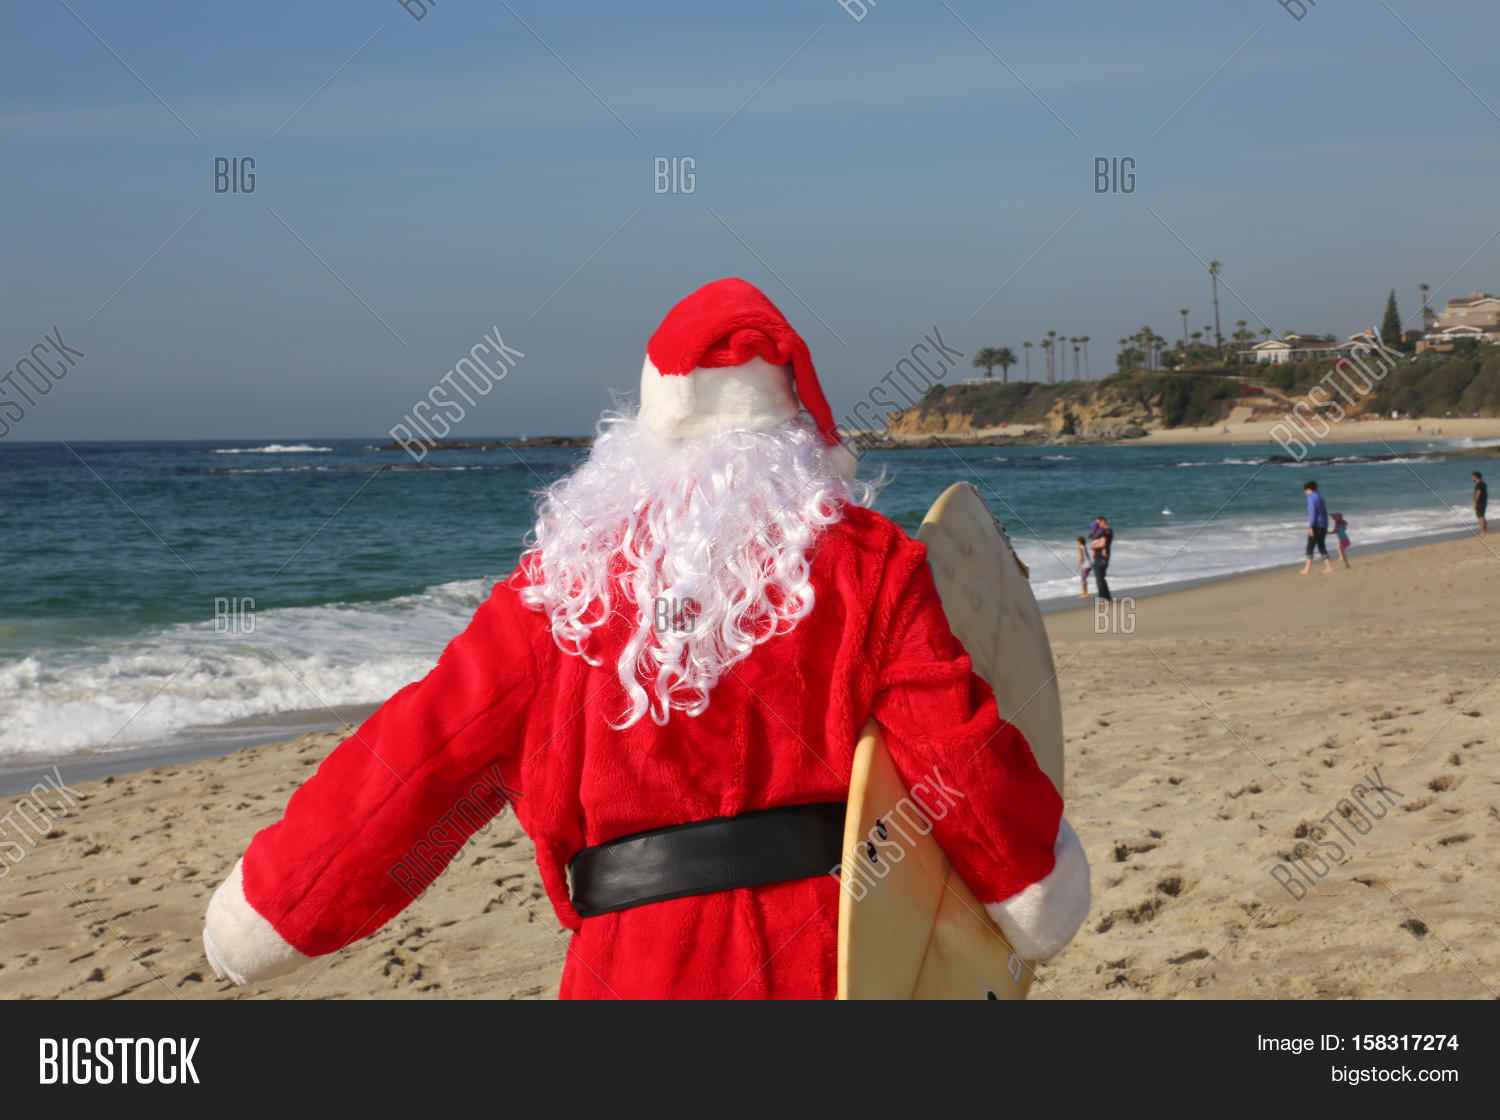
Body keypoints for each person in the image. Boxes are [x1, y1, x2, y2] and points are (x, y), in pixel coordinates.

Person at [199, 277, 1089, 999]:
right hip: (838, 956)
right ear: (796, 430)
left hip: (629, 972)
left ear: (646, 425)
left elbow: (413, 766)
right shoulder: (869, 567)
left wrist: (274, 907)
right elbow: (957, 758)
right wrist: (1030, 893)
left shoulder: (556, 597)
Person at [1300, 480, 1332, 574]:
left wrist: (1311, 527)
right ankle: (1329, 567)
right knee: (1321, 546)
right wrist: (1326, 525)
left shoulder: (1311, 498)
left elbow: (1313, 513)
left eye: (1305, 490)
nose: (1305, 492)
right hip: (1323, 525)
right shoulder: (1321, 497)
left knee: (1310, 546)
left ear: (1308, 489)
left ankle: (1307, 569)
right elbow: (1324, 512)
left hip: (1316, 526)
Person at [1090, 516, 1113, 602]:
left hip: (1101, 558)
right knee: (1101, 578)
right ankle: (1107, 598)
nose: (1097, 525)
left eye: (1098, 523)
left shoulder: (1105, 532)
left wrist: (1093, 546)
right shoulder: (1106, 531)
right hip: (1102, 557)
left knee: (1099, 579)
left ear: (1103, 521)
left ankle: (1104, 598)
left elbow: (1102, 544)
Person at [1476, 472, 1488, 537]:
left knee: (1481, 517)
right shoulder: (1483, 483)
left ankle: (1483, 531)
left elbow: (1478, 493)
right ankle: (1484, 530)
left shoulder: (1479, 484)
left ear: (1476, 476)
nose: (1472, 478)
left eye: (1473, 476)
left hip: (1480, 502)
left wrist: (1475, 502)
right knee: (1482, 516)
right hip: (1484, 502)